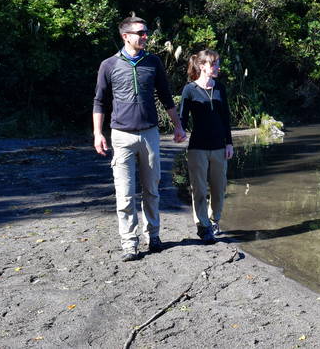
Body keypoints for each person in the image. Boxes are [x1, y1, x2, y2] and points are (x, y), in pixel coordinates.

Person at [93, 16, 186, 262]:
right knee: (124, 194)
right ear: (126, 36)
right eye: (141, 33)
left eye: (146, 32)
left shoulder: (153, 62)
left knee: (151, 189)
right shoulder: (109, 65)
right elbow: (99, 101)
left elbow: (166, 97)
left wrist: (178, 126)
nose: (146, 36)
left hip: (150, 134)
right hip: (121, 136)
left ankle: (153, 236)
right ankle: (129, 243)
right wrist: (97, 133)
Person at [178, 49, 234, 244]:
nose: (217, 67)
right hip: (197, 147)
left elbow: (226, 118)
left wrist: (229, 143)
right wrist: (180, 131)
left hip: (219, 147)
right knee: (199, 189)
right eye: (214, 64)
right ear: (202, 66)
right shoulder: (189, 89)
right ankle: (203, 226)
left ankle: (214, 220)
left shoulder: (220, 88)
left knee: (219, 188)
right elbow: (182, 117)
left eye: (217, 64)